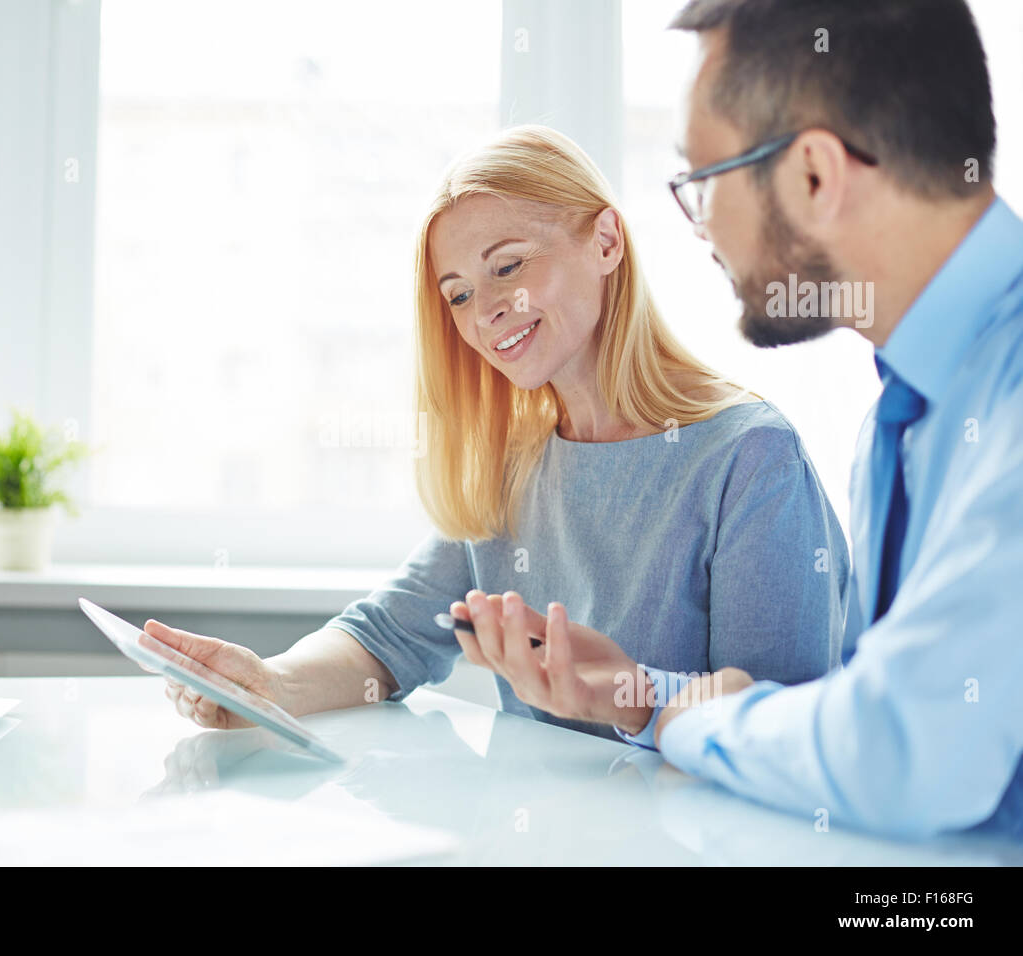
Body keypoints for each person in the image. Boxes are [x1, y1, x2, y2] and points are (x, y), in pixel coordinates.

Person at [457, 0, 1023, 840]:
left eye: (704, 181)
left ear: (814, 177)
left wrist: (685, 718)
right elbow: (870, 713)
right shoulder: (904, 419)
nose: (697, 226)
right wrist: (646, 696)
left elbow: (904, 751)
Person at [142, 124, 847, 745]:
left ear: (606, 241)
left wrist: (628, 697)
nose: (484, 312)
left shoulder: (751, 460)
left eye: (507, 266)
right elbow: (387, 639)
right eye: (457, 293)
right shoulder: (516, 466)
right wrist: (268, 685)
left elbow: (784, 729)